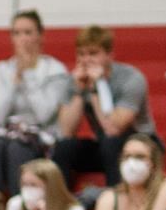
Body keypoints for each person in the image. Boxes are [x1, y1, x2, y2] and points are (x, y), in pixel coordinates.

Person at [0, 10, 72, 198]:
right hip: (6, 132)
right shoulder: (1, 69)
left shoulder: (55, 70)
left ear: (40, 36)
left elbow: (44, 114)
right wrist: (13, 82)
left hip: (42, 135)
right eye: (17, 33)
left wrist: (29, 76)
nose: (22, 39)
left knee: (17, 147)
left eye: (28, 32)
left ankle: (21, 206)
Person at [53, 25, 157, 188]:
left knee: (111, 142)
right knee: (64, 147)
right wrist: (79, 90)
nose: (86, 60)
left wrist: (96, 88)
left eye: (93, 53)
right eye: (81, 54)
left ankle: (115, 199)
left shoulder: (131, 78)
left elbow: (113, 128)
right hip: (107, 145)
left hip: (142, 144)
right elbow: (66, 131)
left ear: (109, 55)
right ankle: (61, 201)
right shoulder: (74, 81)